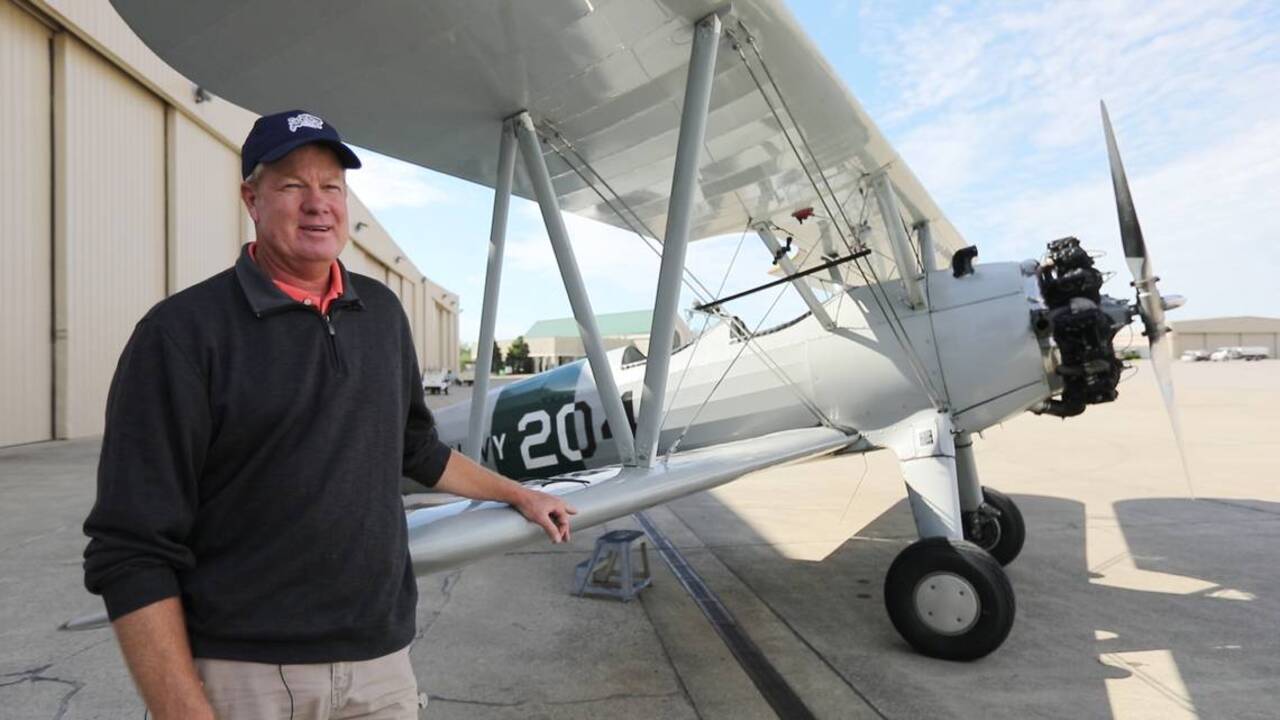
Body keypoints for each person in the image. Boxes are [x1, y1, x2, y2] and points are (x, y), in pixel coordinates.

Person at [82, 110, 576, 720]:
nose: (317, 203)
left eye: (332, 187)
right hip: (247, 676)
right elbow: (130, 547)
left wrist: (517, 494)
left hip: (380, 665)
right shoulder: (181, 335)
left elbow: (414, 450)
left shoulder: (383, 314)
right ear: (251, 198)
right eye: (292, 185)